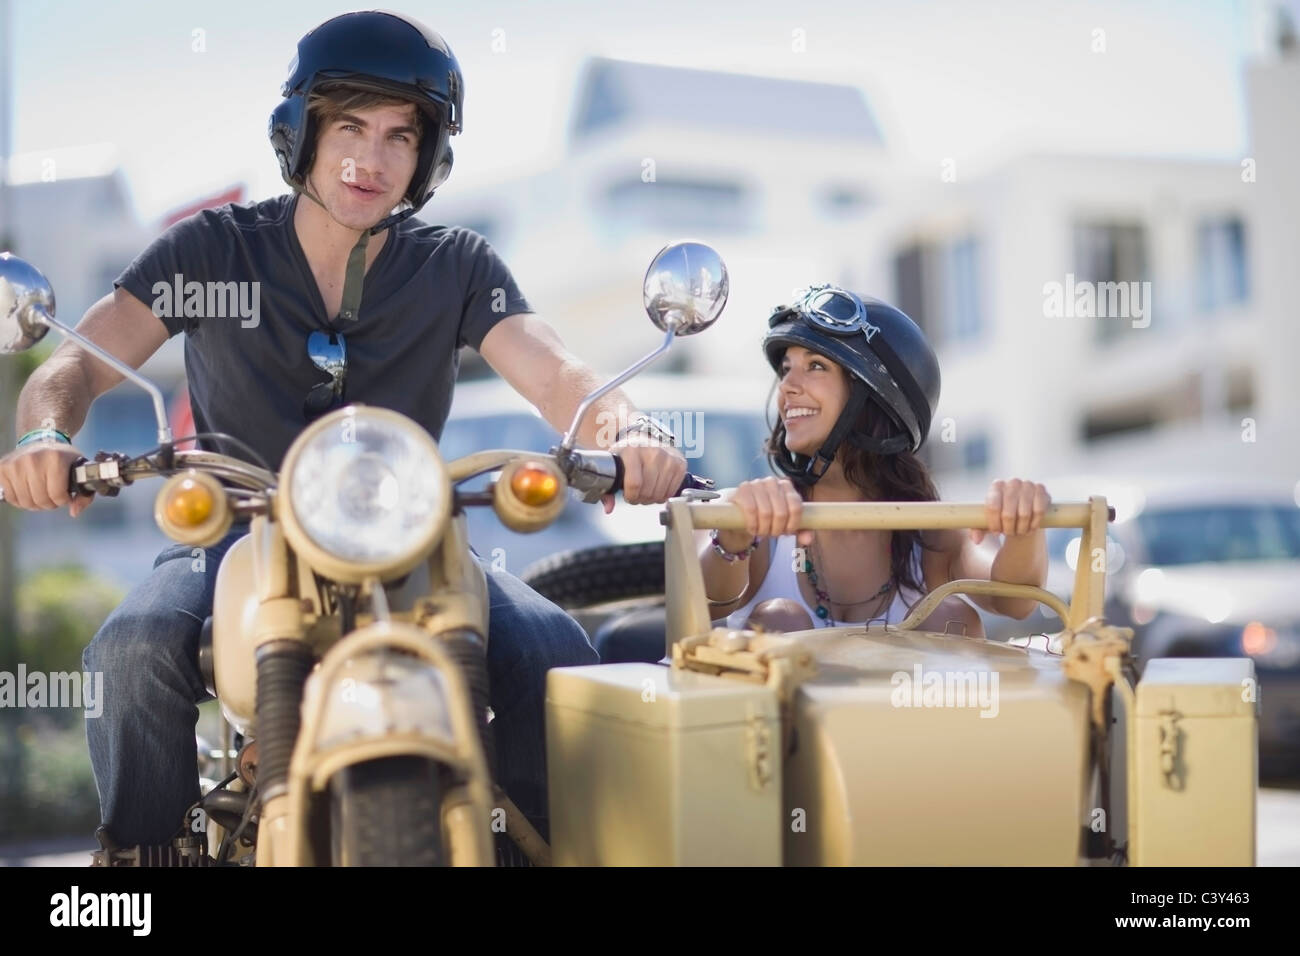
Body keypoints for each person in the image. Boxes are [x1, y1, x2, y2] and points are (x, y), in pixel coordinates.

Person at [0, 11, 687, 854]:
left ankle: (532, 846)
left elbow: (562, 378)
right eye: (350, 125)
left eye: (402, 135)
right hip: (232, 538)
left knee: (553, 646)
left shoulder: (457, 266)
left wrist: (633, 429)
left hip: (414, 542)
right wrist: (44, 440)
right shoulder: (212, 252)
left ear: (429, 158)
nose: (373, 156)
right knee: (130, 649)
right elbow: (74, 368)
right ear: (302, 133)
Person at [700, 285, 1050, 635]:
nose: (787, 386)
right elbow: (704, 599)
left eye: (815, 366)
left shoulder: (936, 530)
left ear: (876, 398)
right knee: (779, 620)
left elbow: (1014, 601)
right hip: (771, 690)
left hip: (911, 689)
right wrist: (733, 538)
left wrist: (1025, 525)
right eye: (786, 369)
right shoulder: (750, 512)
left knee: (950, 619)